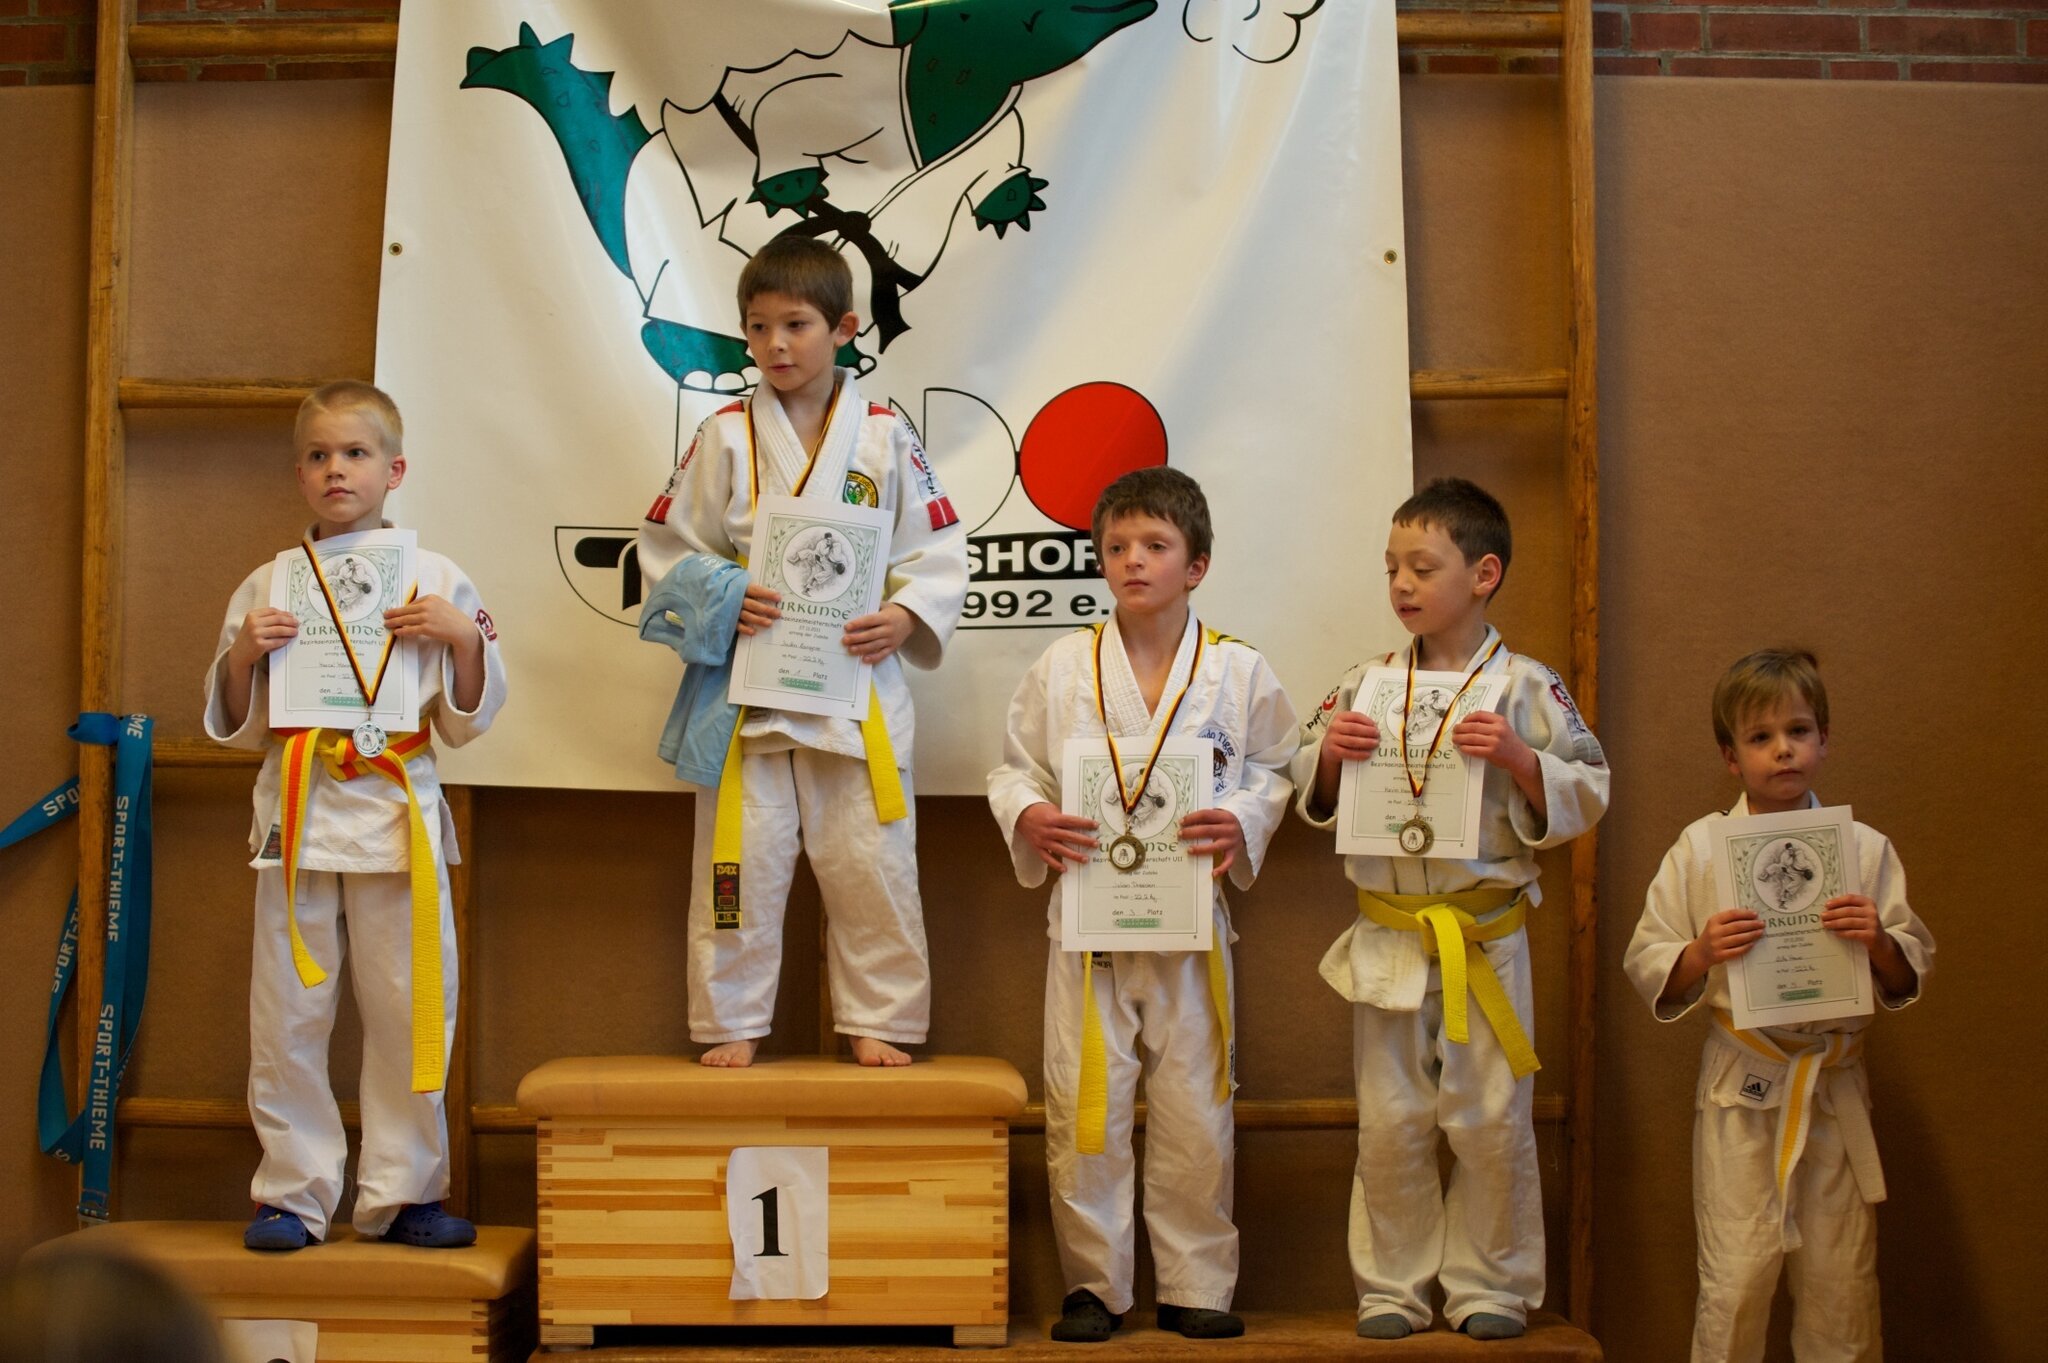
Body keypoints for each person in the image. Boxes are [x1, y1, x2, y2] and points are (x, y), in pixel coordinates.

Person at [1291, 477, 1609, 1339]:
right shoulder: (1363, 683)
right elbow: (1301, 773)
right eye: (1391, 566)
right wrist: (1330, 756)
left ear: (1484, 573)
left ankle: (1489, 1286)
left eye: (1422, 566)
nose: (1401, 582)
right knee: (1391, 1119)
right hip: (1389, 933)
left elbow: (1592, 782)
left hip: (1485, 934)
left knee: (1489, 1116)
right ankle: (1392, 1286)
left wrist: (1517, 757)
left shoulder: (1528, 686)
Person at [638, 236, 967, 1068]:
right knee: (737, 861)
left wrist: (905, 615)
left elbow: (937, 548)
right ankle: (732, 1019)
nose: (777, 345)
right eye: (758, 328)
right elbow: (669, 546)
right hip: (747, 691)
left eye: (797, 324)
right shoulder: (721, 435)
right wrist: (721, 594)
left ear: (845, 327)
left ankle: (881, 1018)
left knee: (872, 859)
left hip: (854, 685)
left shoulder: (887, 438)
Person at [987, 467, 1298, 1341]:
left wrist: (1240, 818)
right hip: (1088, 925)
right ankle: (1095, 1284)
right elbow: (1015, 769)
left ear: (1196, 564)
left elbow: (1278, 766)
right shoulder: (1061, 666)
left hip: (1191, 924)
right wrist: (1032, 814)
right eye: (1116, 546)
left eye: (1155, 546)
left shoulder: (1238, 669)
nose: (1133, 561)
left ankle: (1198, 1281)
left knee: (1198, 1104)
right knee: (1087, 1099)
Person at [205, 380, 507, 1250]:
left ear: (394, 469)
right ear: (300, 473)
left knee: (412, 1004)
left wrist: (461, 638)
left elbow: (470, 713)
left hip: (394, 808)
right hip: (298, 808)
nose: (337, 469)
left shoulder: (437, 575)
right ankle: (292, 1194)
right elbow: (236, 718)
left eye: (356, 453)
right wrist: (242, 655)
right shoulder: (271, 582)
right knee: (288, 1011)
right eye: (318, 455)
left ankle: (407, 1191)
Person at [1624, 649, 1933, 1363]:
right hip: (1742, 1088)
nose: (1783, 748)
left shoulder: (1863, 848)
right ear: (1730, 756)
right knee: (1733, 1282)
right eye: (1761, 737)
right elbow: (1649, 958)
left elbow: (1908, 964)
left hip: (1833, 1087)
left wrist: (1878, 939)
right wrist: (1700, 952)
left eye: (1798, 730)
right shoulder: (1700, 849)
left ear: (1824, 740)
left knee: (1842, 1289)